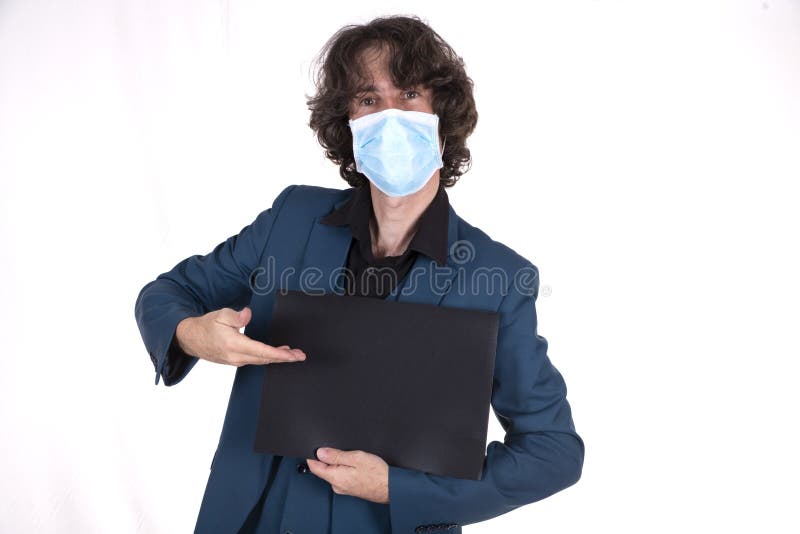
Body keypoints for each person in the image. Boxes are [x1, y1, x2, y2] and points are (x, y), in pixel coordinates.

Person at [134, 14, 584, 534]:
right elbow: (169, 292)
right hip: (254, 515)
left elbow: (553, 452)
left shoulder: (498, 277)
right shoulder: (292, 219)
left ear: (442, 118)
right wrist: (191, 334)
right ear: (347, 124)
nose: (390, 116)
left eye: (410, 94)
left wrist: (399, 488)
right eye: (369, 100)